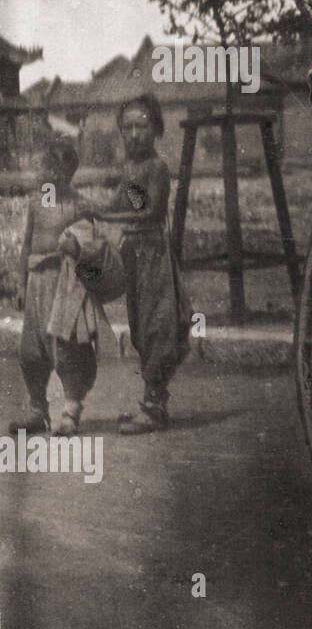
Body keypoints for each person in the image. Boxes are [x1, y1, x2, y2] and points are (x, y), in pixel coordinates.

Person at [96, 94, 190, 435]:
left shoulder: (156, 168)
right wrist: (93, 208)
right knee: (138, 326)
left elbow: (148, 212)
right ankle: (154, 403)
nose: (134, 134)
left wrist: (106, 214)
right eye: (128, 128)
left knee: (156, 326)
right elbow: (119, 201)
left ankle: (153, 407)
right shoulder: (130, 169)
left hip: (153, 254)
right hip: (133, 255)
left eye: (142, 126)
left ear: (156, 129)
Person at [11, 139, 100, 435]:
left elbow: (92, 246)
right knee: (31, 352)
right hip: (37, 281)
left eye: (59, 169)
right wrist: (21, 284)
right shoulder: (37, 202)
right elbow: (26, 244)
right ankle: (38, 408)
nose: (51, 175)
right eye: (47, 168)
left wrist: (76, 247)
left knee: (68, 348)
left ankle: (71, 411)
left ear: (70, 171)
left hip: (66, 284)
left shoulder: (79, 203)